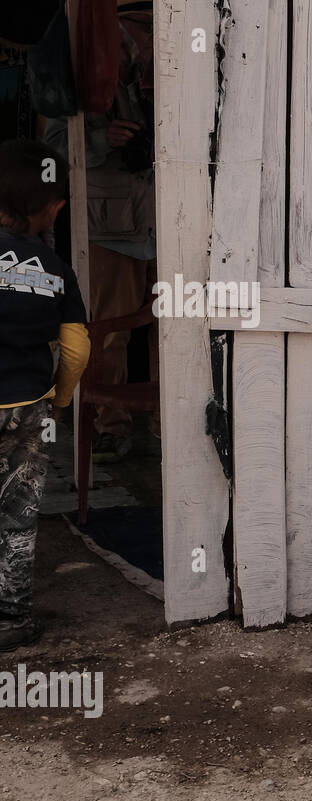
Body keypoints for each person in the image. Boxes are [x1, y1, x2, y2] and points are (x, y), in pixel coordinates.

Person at [43, 1, 156, 462]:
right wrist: (99, 140)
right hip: (113, 225)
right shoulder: (88, 59)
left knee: (176, 330)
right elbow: (53, 149)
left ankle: (168, 425)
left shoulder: (180, 66)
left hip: (173, 219)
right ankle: (110, 427)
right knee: (111, 331)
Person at [0, 139, 89, 650]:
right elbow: (76, 350)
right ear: (49, 206)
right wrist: (58, 400)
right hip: (25, 406)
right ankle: (11, 619)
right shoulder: (55, 268)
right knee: (16, 512)